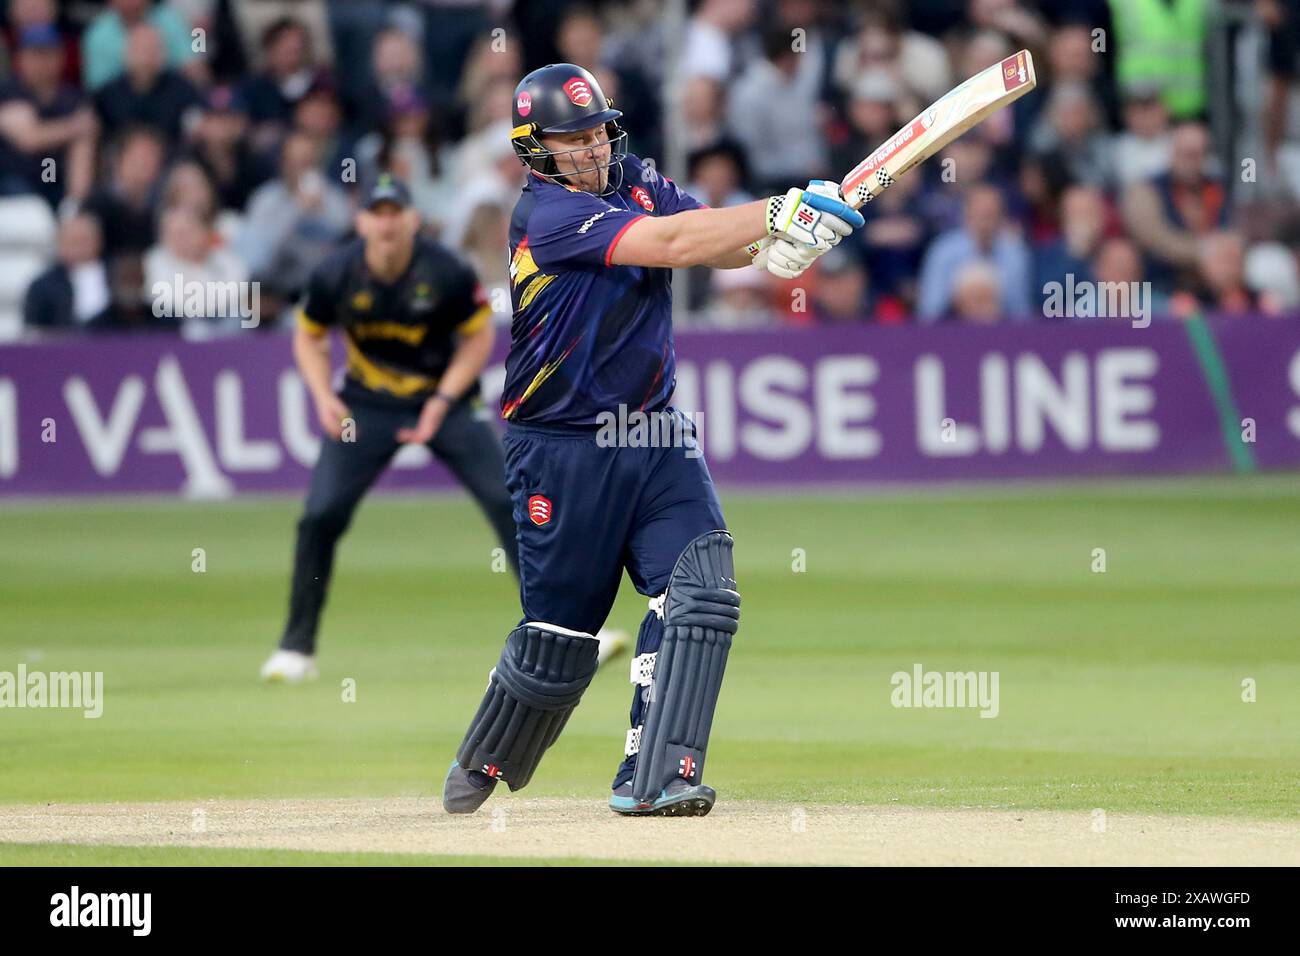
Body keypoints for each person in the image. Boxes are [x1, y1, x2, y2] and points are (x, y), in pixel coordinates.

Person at [440, 64, 864, 818]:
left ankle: (656, 774)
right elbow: (669, 243)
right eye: (571, 139)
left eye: (598, 131)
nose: (592, 149)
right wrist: (778, 211)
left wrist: (786, 244)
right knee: (561, 639)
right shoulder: (546, 217)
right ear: (534, 149)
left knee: (701, 591)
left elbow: (712, 243)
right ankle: (492, 751)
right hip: (560, 445)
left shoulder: (635, 177)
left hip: (656, 430)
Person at [260, 175, 515, 682]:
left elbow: (477, 338)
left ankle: (565, 633)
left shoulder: (444, 271)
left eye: (396, 211)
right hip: (367, 404)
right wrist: (322, 396)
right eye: (377, 212)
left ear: (413, 219)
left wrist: (442, 400)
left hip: (447, 400)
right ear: (361, 222)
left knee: (509, 501)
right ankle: (296, 649)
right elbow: (308, 337)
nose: (387, 221)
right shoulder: (336, 273)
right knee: (320, 516)